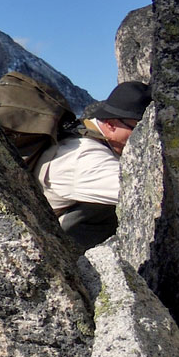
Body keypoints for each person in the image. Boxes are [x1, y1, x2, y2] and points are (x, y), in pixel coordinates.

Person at [36, 81, 150, 251]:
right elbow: (142, 193)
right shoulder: (87, 157)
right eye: (138, 128)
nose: (145, 137)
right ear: (111, 124)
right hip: (52, 247)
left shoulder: (86, 137)